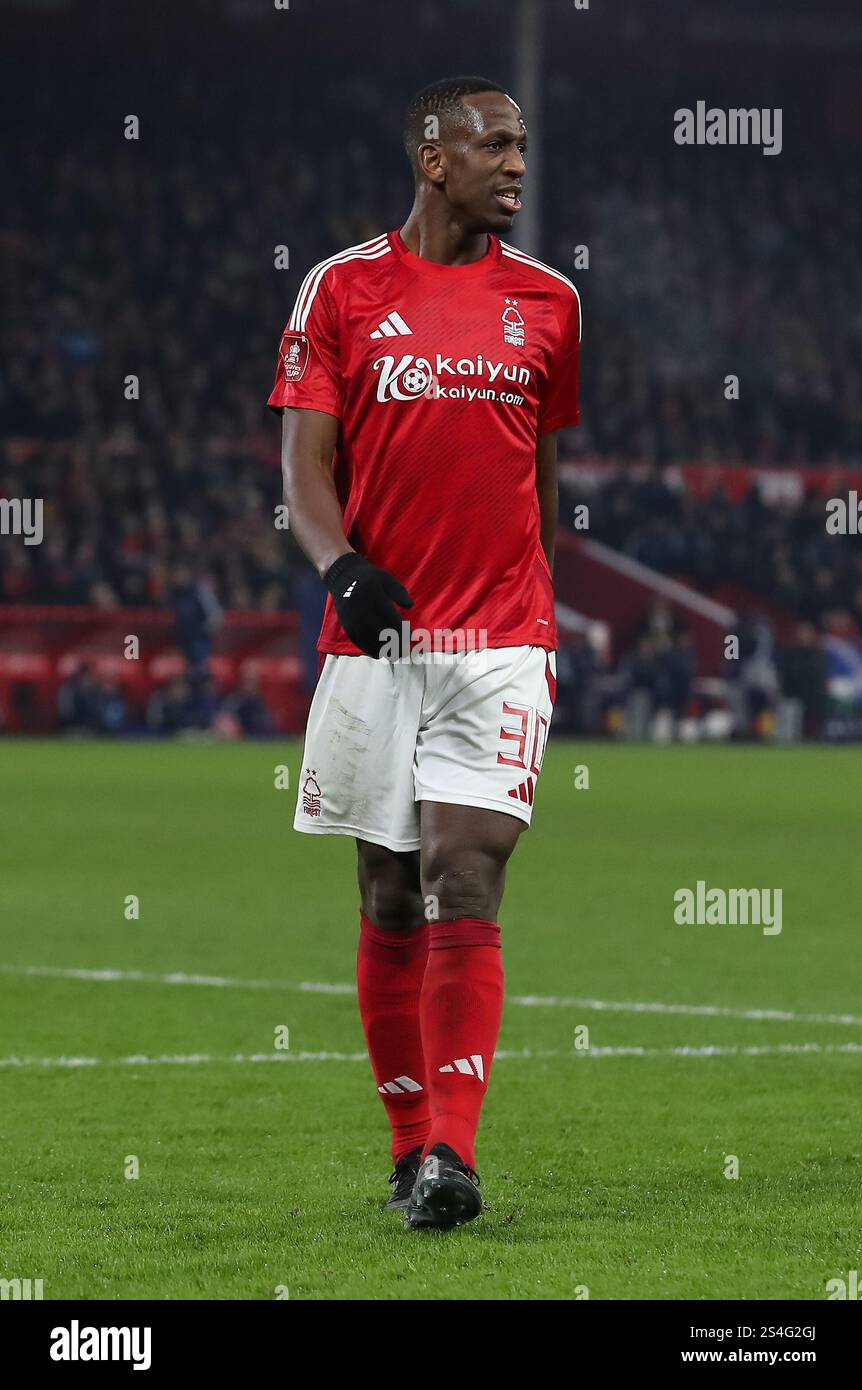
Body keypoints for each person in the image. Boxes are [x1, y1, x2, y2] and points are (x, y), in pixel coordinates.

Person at [268, 76, 580, 1231]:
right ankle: (407, 1147)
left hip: (498, 636)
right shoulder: (341, 288)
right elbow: (304, 470)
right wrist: (340, 569)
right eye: (494, 145)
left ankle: (453, 1154)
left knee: (465, 872)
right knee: (388, 888)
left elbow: (541, 485)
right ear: (432, 155)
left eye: (522, 146)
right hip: (375, 637)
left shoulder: (548, 303)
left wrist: (529, 614)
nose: (514, 164)